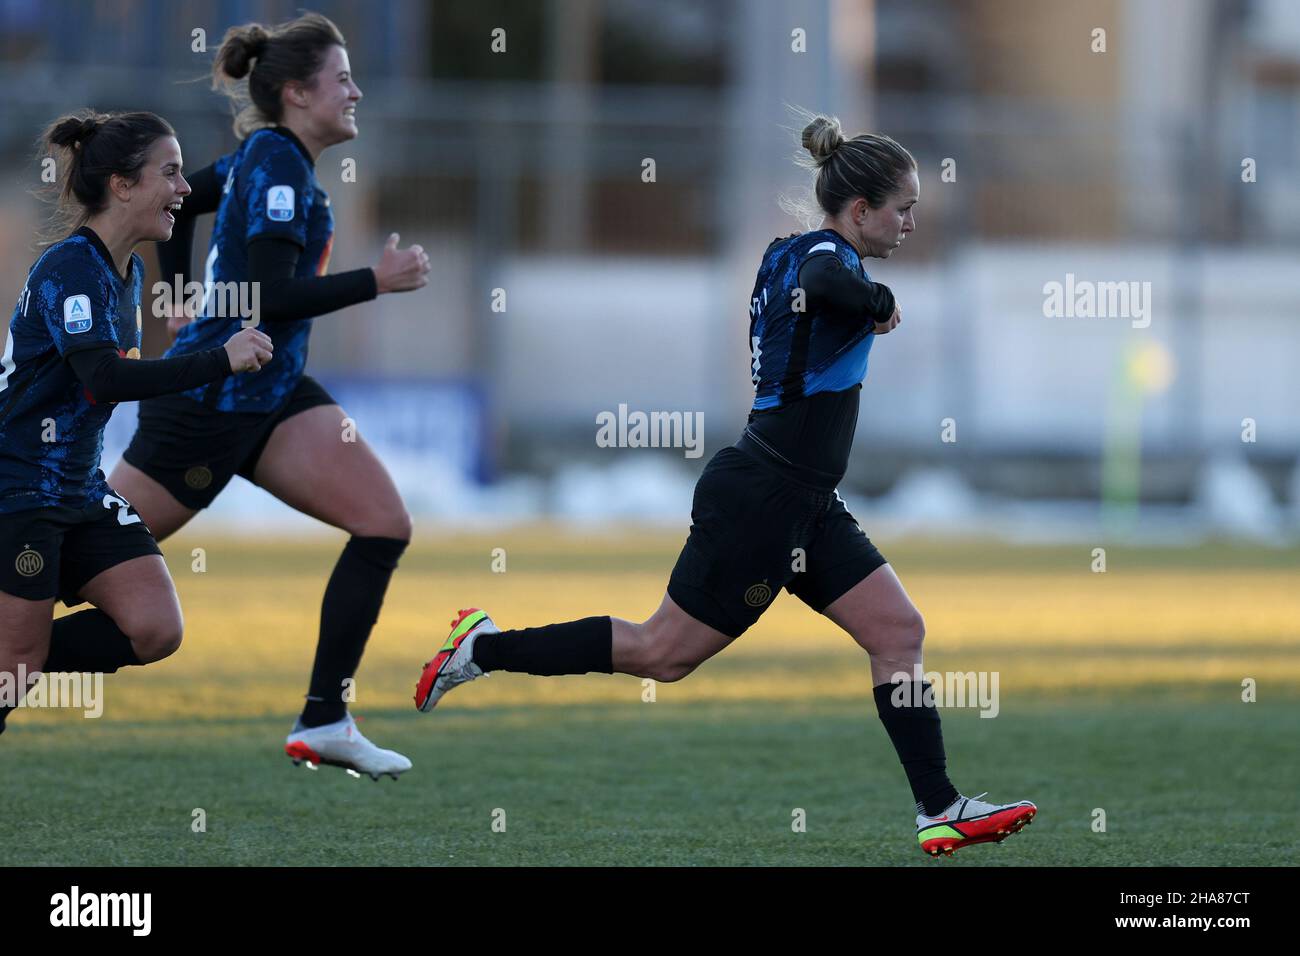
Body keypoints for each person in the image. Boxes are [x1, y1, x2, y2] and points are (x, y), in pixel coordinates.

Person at [414, 114, 1036, 856]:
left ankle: (940, 807)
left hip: (805, 503)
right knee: (660, 654)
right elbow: (823, 279)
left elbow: (816, 282)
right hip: (763, 498)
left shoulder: (789, 252)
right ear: (860, 209)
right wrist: (875, 302)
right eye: (902, 208)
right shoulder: (822, 259)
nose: (910, 223)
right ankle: (481, 649)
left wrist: (864, 298)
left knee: (898, 631)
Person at [107, 13, 429, 781]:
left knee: (382, 524)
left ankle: (325, 718)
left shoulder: (265, 153)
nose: (356, 91)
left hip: (271, 394)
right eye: (341, 80)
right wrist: (375, 283)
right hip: (211, 405)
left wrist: (181, 289)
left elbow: (179, 205)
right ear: (295, 93)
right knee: (72, 561)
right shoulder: (278, 162)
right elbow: (277, 295)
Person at [0, 110, 272, 736]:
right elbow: (106, 378)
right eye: (170, 173)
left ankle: (19, 656)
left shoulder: (132, 270)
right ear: (122, 185)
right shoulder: (71, 267)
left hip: (79, 486)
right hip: (20, 487)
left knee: (154, 628)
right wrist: (219, 360)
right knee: (17, 663)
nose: (184, 189)